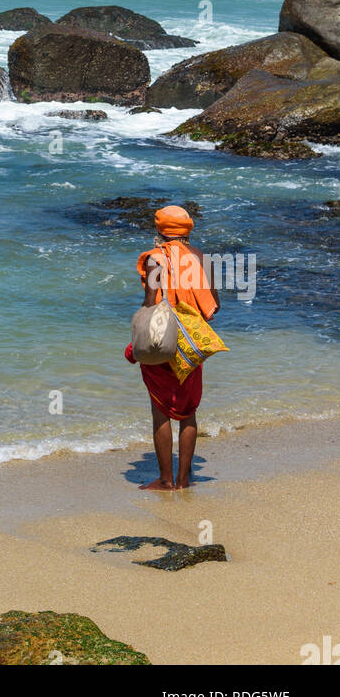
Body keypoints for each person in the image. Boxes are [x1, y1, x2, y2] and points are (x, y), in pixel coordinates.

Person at [125, 205, 219, 491]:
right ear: (188, 230)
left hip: (163, 340)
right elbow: (213, 303)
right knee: (188, 411)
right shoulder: (202, 258)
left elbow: (152, 303)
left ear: (160, 230)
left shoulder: (156, 258)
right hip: (192, 341)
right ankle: (183, 479)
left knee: (160, 409)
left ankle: (166, 479)